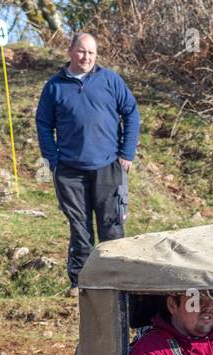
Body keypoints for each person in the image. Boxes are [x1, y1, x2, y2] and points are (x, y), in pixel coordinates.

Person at [35, 32, 140, 292]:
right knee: (80, 229)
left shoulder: (110, 80)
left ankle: (117, 283)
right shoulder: (54, 86)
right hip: (69, 171)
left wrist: (126, 153)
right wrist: (53, 159)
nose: (86, 57)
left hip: (108, 167)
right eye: (82, 51)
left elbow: (131, 112)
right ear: (71, 51)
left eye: (91, 53)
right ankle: (80, 284)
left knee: (112, 226)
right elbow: (44, 124)